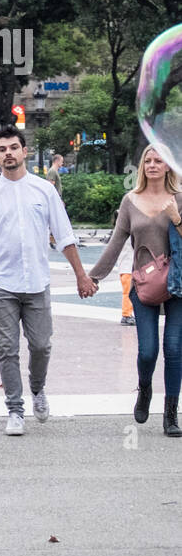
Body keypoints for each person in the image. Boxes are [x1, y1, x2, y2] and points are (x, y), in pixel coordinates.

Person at [0, 126, 95, 437]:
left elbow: (64, 235)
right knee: (7, 349)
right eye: (2, 149)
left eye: (13, 147)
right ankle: (14, 409)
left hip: (37, 283)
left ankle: (37, 389)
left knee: (41, 345)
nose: (8, 153)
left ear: (25, 152)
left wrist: (81, 274)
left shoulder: (44, 190)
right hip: (2, 285)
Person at [88, 145, 182, 435]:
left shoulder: (179, 198)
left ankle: (170, 414)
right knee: (148, 352)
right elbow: (116, 243)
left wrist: (176, 217)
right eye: (148, 161)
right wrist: (92, 277)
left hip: (178, 284)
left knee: (174, 348)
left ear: (167, 166)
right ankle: (144, 388)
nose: (153, 165)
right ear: (142, 167)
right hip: (143, 286)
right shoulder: (131, 201)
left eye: (158, 161)